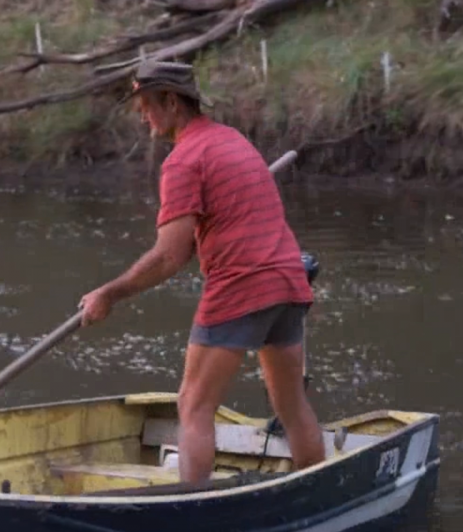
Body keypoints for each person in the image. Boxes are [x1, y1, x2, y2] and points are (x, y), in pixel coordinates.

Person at [78, 60, 326, 484]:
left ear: (171, 102)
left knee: (193, 405)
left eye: (145, 105)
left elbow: (168, 257)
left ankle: (194, 505)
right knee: (291, 405)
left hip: (242, 286)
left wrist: (108, 294)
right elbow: (218, 226)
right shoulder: (231, 140)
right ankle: (317, 490)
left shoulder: (184, 161)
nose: (141, 115)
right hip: (288, 281)